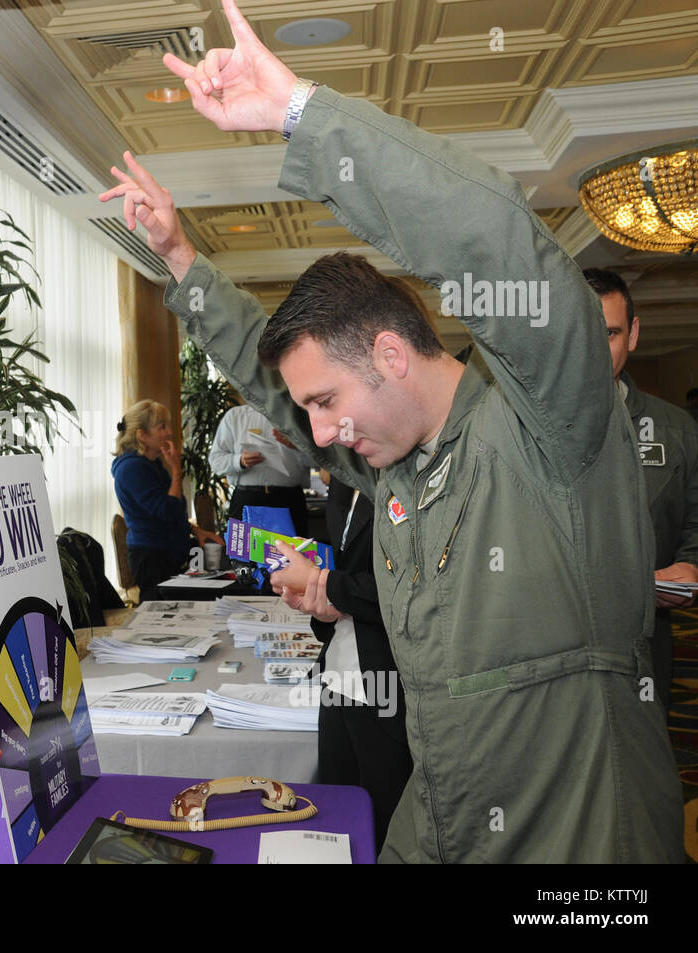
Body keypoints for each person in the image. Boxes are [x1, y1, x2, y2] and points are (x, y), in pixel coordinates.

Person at [100, 0, 681, 862]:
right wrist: (182, 261)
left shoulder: (553, 421)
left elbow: (495, 244)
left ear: (390, 353)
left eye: (329, 402)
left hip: (578, 844)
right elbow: (276, 383)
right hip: (443, 816)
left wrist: (303, 114)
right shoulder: (401, 467)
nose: (320, 433)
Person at [266, 479, 411, 854]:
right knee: (335, 815)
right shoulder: (344, 481)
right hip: (339, 669)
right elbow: (347, 564)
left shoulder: (408, 474)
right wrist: (319, 600)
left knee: (385, 825)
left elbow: (414, 590)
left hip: (390, 676)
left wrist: (325, 584)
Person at [585, 266, 698, 718]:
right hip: (546, 649)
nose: (594, 351)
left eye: (609, 333)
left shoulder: (676, 430)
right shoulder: (515, 428)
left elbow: (695, 520)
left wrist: (691, 564)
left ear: (633, 334)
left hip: (645, 641)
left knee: (643, 771)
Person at [112, 400, 222, 601]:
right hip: (153, 557)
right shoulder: (132, 469)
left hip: (168, 551)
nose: (169, 432)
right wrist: (177, 472)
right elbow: (167, 510)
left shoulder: (150, 464)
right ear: (142, 435)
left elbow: (172, 511)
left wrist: (194, 530)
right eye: (162, 427)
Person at [209, 402, 310, 532]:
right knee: (243, 552)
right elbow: (216, 461)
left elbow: (321, 462)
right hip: (246, 498)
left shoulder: (298, 417)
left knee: (292, 551)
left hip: (288, 499)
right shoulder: (235, 416)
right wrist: (239, 461)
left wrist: (298, 447)